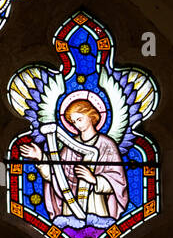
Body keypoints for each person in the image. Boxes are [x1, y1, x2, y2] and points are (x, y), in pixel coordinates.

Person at [19, 96, 128, 227]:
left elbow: (118, 181)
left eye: (80, 119)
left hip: (96, 206)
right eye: (73, 122)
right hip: (69, 206)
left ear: (91, 116)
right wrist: (41, 157)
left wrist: (94, 179)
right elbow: (57, 175)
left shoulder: (107, 144)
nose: (77, 124)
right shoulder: (69, 147)